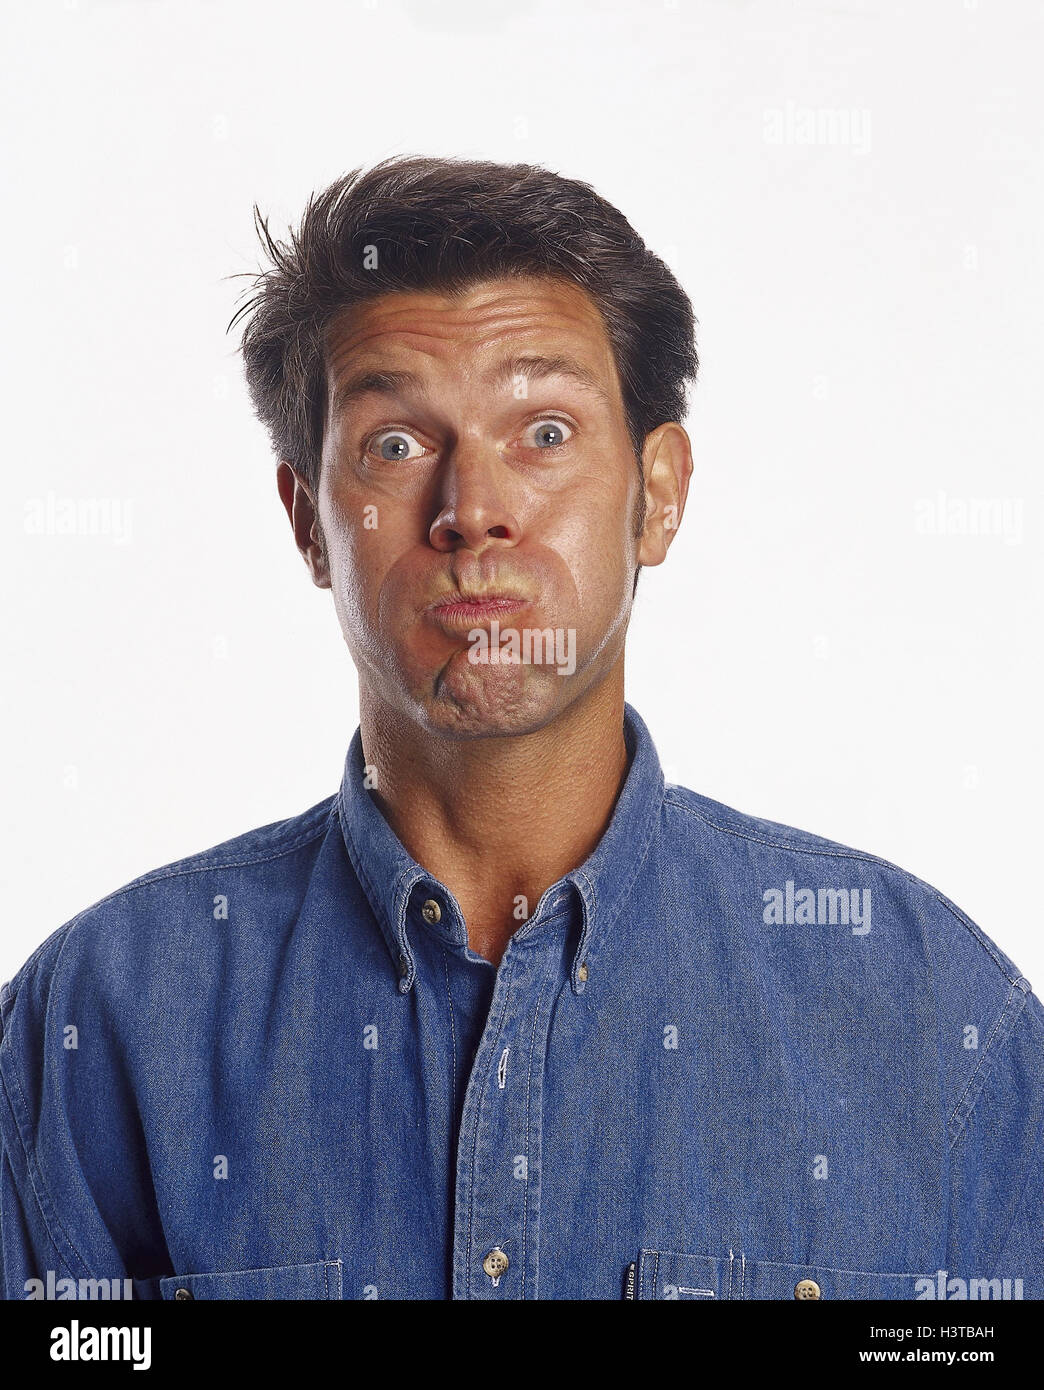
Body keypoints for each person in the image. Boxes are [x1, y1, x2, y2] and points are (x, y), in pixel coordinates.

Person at [2, 157, 1040, 1302]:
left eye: (544, 431)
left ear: (660, 492)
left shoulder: (934, 1014)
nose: (472, 509)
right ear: (307, 522)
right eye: (396, 444)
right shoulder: (98, 1026)